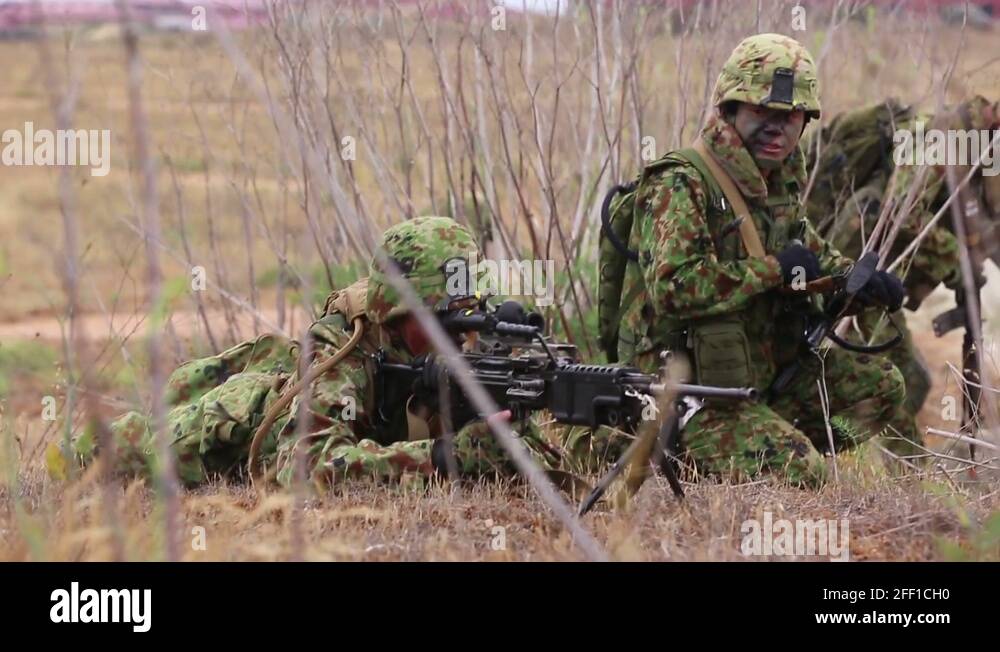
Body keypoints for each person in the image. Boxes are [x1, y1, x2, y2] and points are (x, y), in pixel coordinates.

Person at [58, 216, 561, 491]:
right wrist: (443, 458)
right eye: (444, 321)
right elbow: (303, 468)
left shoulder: (468, 332)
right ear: (400, 312)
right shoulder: (344, 348)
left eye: (466, 315)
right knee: (119, 449)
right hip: (242, 428)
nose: (461, 335)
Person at [608, 33, 909, 486]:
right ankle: (694, 455)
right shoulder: (682, 181)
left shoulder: (777, 184)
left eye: (790, 117)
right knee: (802, 471)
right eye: (761, 113)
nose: (778, 128)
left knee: (883, 389)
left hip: (759, 379)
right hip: (691, 393)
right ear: (729, 112)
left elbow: (809, 257)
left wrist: (857, 283)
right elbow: (673, 288)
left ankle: (764, 444)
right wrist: (771, 272)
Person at [803, 96, 999, 455]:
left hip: (880, 269)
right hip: (860, 255)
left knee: (913, 380)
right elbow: (901, 211)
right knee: (905, 376)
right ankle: (900, 476)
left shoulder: (986, 150)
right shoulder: (944, 137)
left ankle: (810, 446)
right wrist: (957, 261)